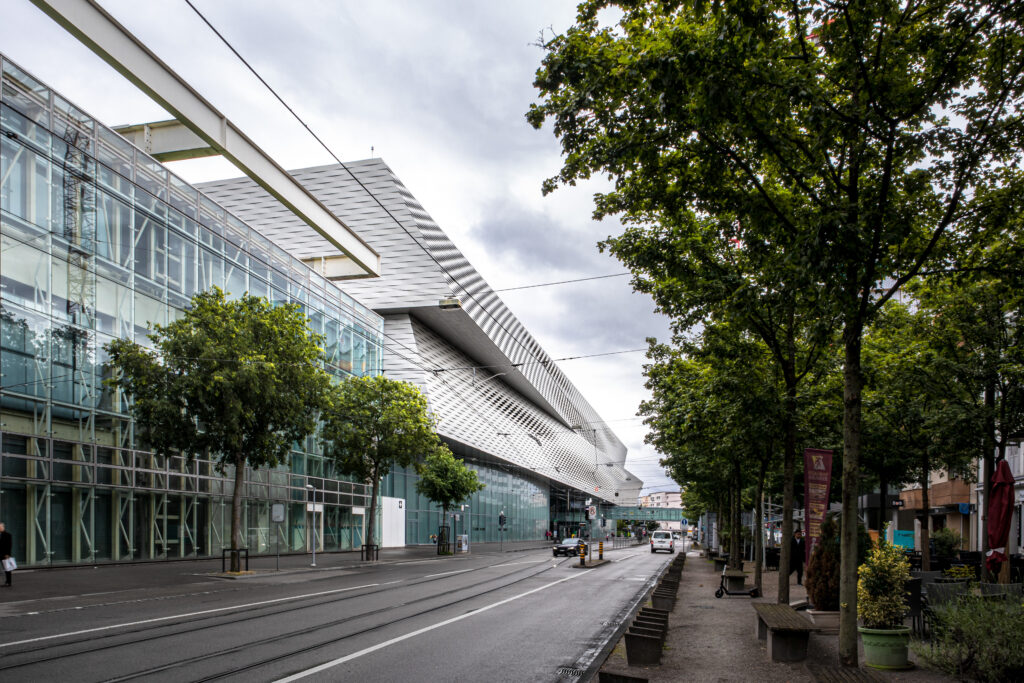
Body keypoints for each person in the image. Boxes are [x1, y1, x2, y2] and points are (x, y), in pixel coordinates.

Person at [0, 522, 12, 587]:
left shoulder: (8, 535)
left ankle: (8, 582)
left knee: (7, 569)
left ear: (3, 527)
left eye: (0, 527)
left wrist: (8, 554)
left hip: (5, 555)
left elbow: (9, 545)